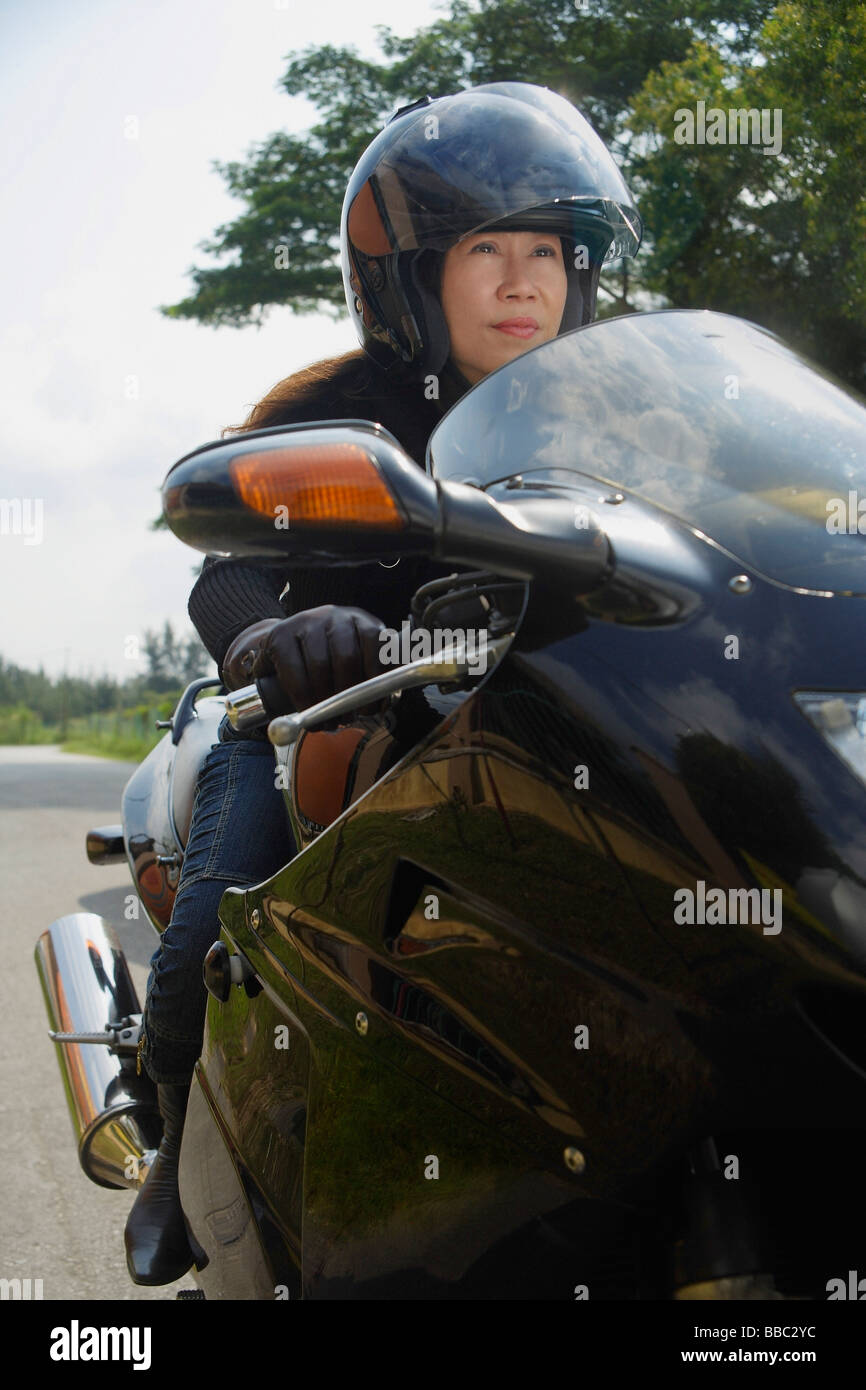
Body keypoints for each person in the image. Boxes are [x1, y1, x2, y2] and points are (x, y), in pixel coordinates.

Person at [124, 80, 641, 1285]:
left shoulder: (625, 415)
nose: (525, 282)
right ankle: (179, 1140)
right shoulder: (330, 407)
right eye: (485, 251)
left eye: (549, 252)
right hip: (325, 718)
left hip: (562, 713)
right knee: (213, 921)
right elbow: (222, 580)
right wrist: (272, 644)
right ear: (408, 276)